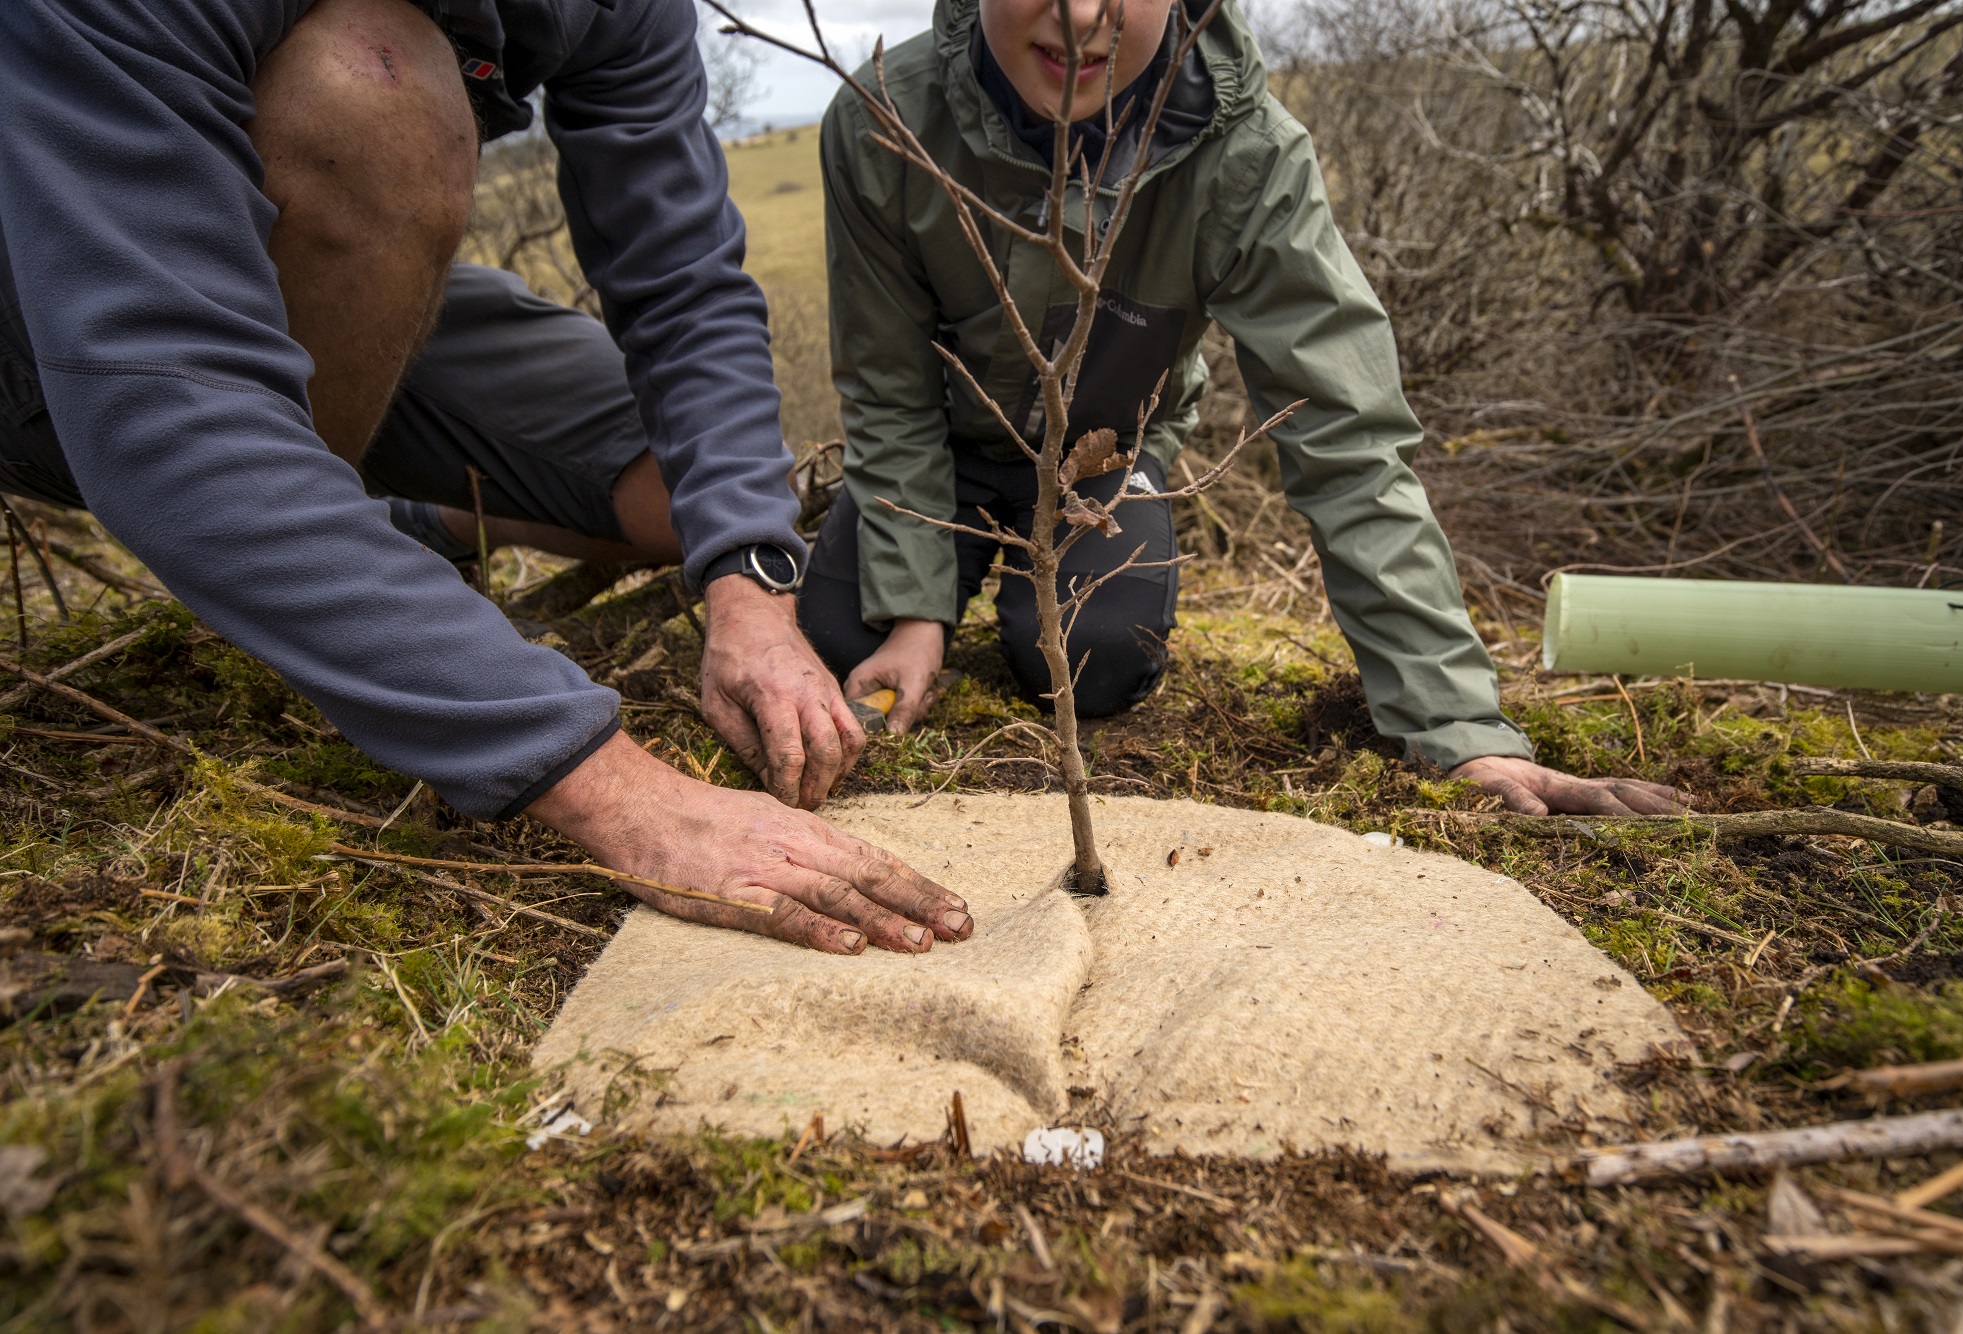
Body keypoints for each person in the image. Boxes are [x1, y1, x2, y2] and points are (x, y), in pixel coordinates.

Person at [0, 0, 971, 955]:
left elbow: (684, 288)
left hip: (332, 268)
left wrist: (752, 584)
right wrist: (627, 795)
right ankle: (320, 554)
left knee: (690, 496)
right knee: (371, 79)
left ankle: (403, 531)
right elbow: (170, 407)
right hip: (80, 285)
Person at [797, 0, 1683, 818]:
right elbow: (890, 391)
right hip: (938, 458)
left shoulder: (1249, 155)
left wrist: (1458, 730)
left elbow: (1347, 436)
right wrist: (917, 616)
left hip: (1100, 462)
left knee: (1097, 661)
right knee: (843, 636)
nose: (1080, 13)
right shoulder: (885, 118)